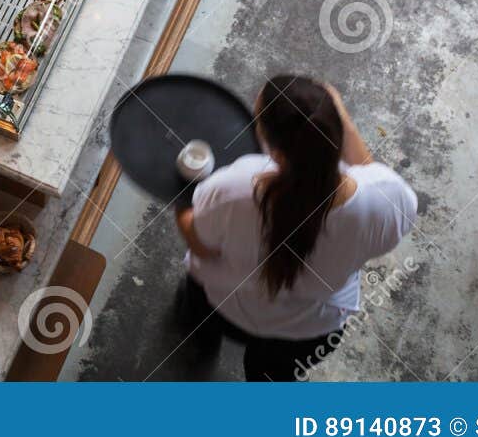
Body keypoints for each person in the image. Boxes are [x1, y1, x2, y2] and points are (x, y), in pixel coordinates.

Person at [174, 75, 417, 382]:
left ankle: (200, 346)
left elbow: (200, 245)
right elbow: (370, 175)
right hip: (310, 331)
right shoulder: (387, 198)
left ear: (271, 148)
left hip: (228, 308)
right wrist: (339, 118)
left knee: (198, 309)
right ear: (335, 135)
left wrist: (182, 199)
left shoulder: (236, 185)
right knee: (271, 378)